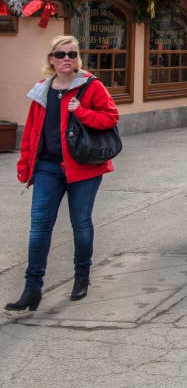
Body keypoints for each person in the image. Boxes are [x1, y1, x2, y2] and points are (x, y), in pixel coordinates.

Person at [6, 35, 119, 311]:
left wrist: (81, 112)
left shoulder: (91, 86)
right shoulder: (42, 90)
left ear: (77, 57)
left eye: (71, 54)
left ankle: (81, 277)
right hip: (47, 167)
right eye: (60, 54)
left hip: (84, 166)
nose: (66, 59)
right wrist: (25, 167)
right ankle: (32, 289)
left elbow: (110, 117)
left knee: (80, 223)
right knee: (39, 227)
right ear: (51, 59)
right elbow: (32, 132)